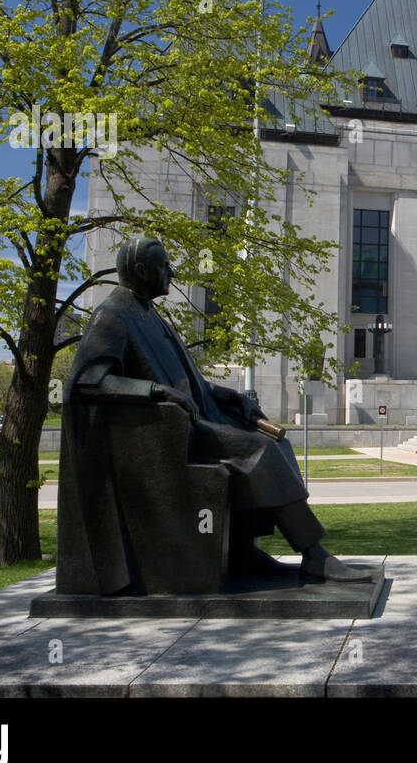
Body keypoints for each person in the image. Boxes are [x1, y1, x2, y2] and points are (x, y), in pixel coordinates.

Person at [60, 236, 373, 592]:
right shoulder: (113, 316)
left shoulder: (149, 314)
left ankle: (240, 551)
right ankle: (314, 555)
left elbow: (192, 382)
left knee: (277, 444)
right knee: (261, 452)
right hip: (174, 433)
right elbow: (86, 382)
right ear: (142, 270)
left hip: (200, 418)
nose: (171, 272)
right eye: (164, 265)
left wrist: (231, 396)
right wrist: (153, 391)